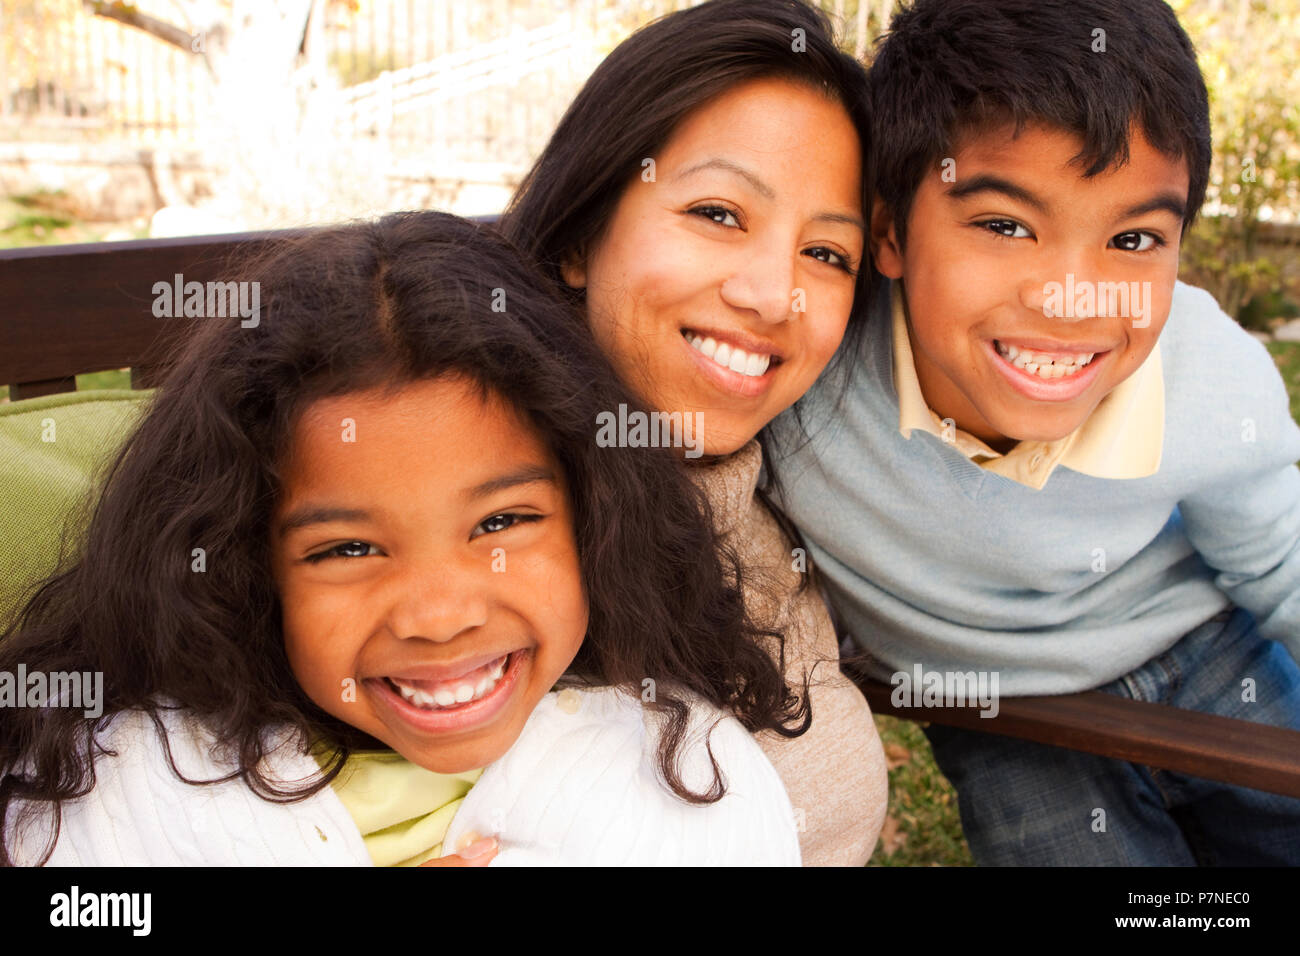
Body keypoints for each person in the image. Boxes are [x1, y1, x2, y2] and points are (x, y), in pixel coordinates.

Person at [0, 211, 804, 867]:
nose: (439, 615)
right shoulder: (114, 792)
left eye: (500, 523)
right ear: (249, 570)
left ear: (596, 524)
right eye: (348, 549)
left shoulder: (692, 783)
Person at [768, 0, 1300, 865]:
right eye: (1005, 226)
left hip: (1203, 649)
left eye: (1133, 238)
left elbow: (1283, 557)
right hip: (999, 709)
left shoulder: (1208, 375)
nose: (1071, 298)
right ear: (890, 228)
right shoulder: (803, 384)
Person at [501, 0, 889, 866]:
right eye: (718, 213)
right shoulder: (482, 508)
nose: (770, 295)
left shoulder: (779, 501)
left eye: (827, 255)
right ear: (580, 235)